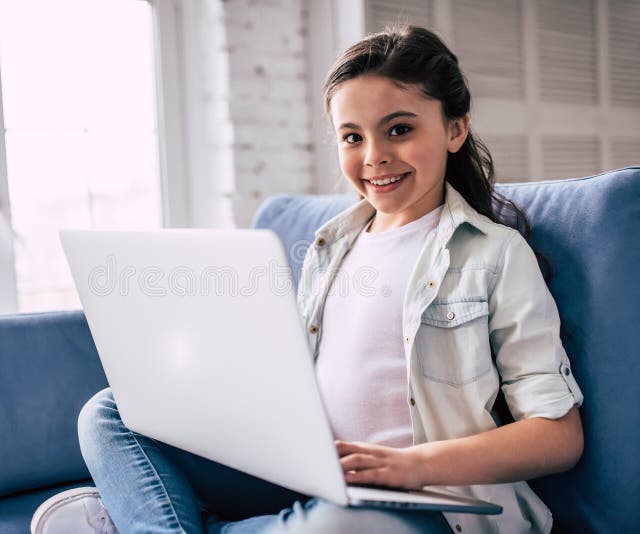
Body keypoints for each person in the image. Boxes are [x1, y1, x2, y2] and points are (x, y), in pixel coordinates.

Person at [74, 24, 584, 534]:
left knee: (333, 525)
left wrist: (412, 466)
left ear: (455, 129)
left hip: (430, 503)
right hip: (314, 476)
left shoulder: (496, 254)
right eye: (352, 137)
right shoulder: (330, 248)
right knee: (111, 411)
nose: (374, 156)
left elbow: (559, 436)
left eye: (399, 130)